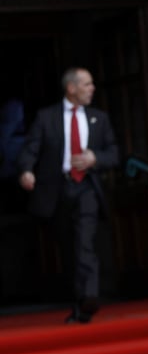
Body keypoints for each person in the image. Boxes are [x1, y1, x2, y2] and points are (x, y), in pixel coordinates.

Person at [17, 67, 119, 323]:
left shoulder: (99, 118)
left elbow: (114, 153)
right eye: (87, 84)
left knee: (85, 240)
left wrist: (96, 158)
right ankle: (79, 300)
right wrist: (27, 171)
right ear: (71, 88)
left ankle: (89, 297)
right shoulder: (46, 117)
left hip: (86, 186)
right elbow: (31, 148)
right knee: (68, 245)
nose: (92, 88)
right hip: (58, 190)